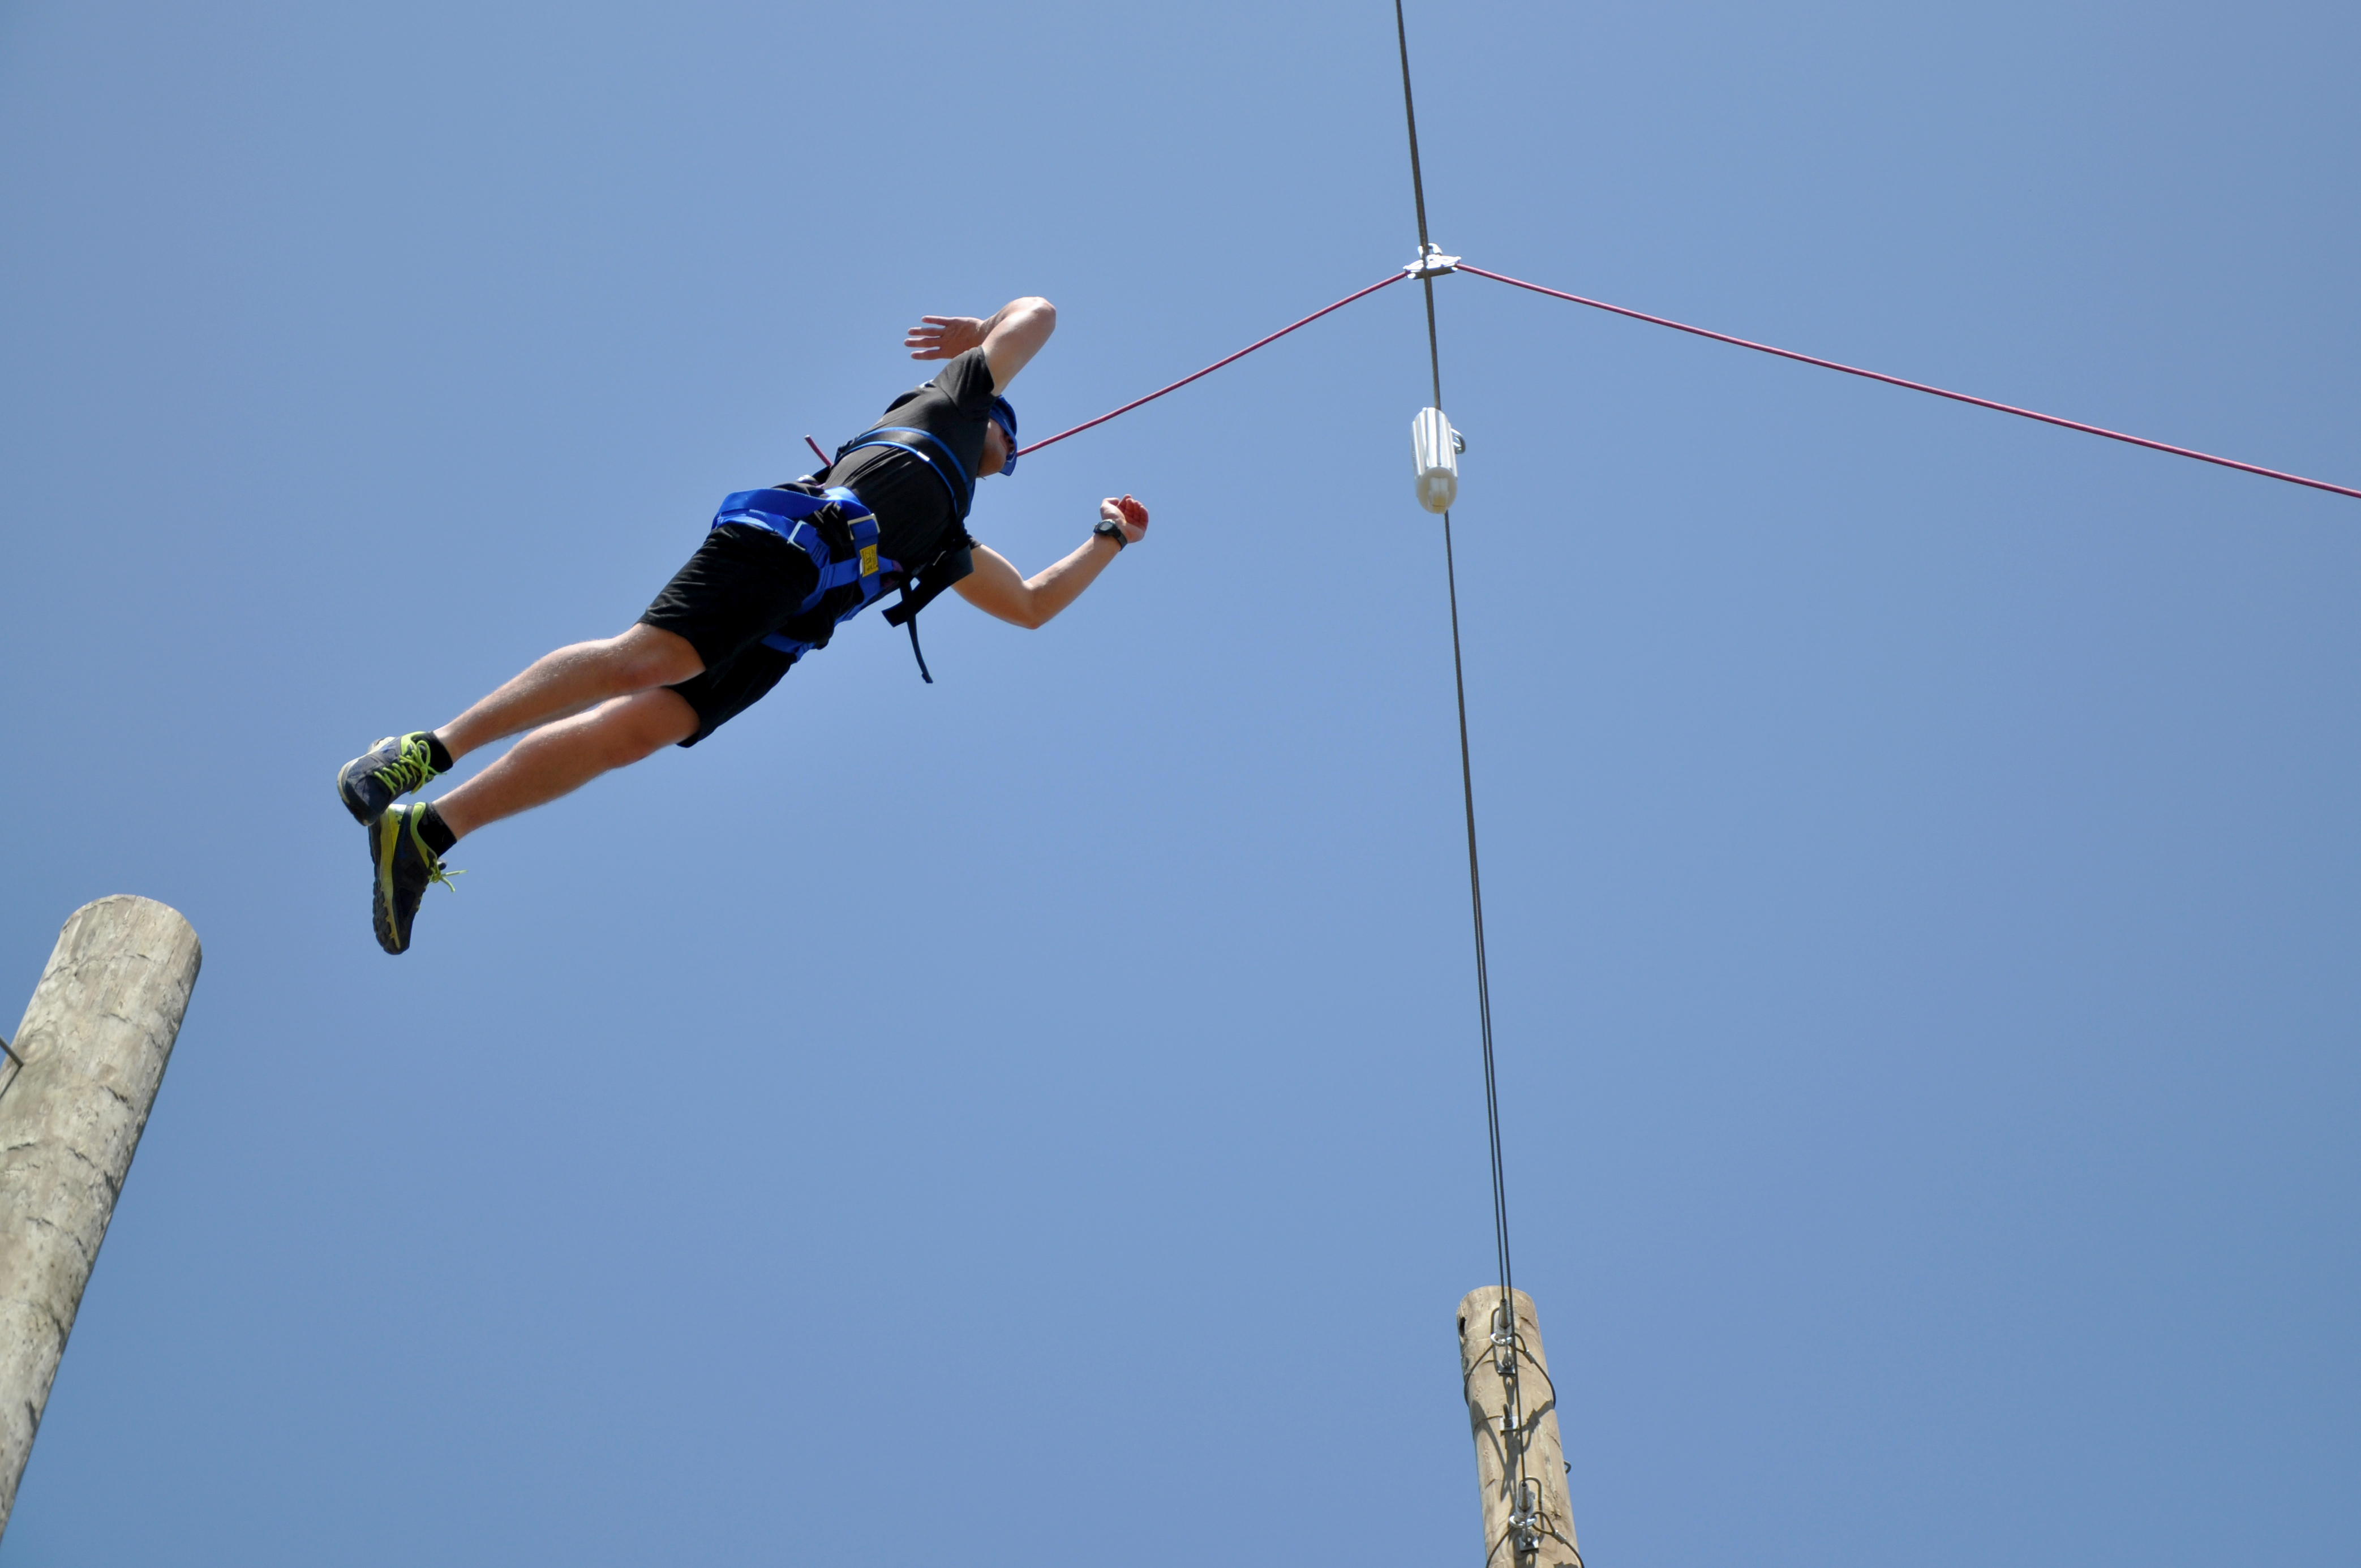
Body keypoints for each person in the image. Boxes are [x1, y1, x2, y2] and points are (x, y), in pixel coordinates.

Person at [336, 297, 1149, 954]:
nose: (1012, 459)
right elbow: (1040, 313)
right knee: (643, 659)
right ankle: (419, 753)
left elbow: (1032, 606)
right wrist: (983, 332)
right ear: (995, 420)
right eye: (1016, 445)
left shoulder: (949, 538)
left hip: (788, 632)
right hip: (793, 545)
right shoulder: (955, 402)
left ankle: (428, 834)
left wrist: (1107, 537)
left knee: (639, 729)